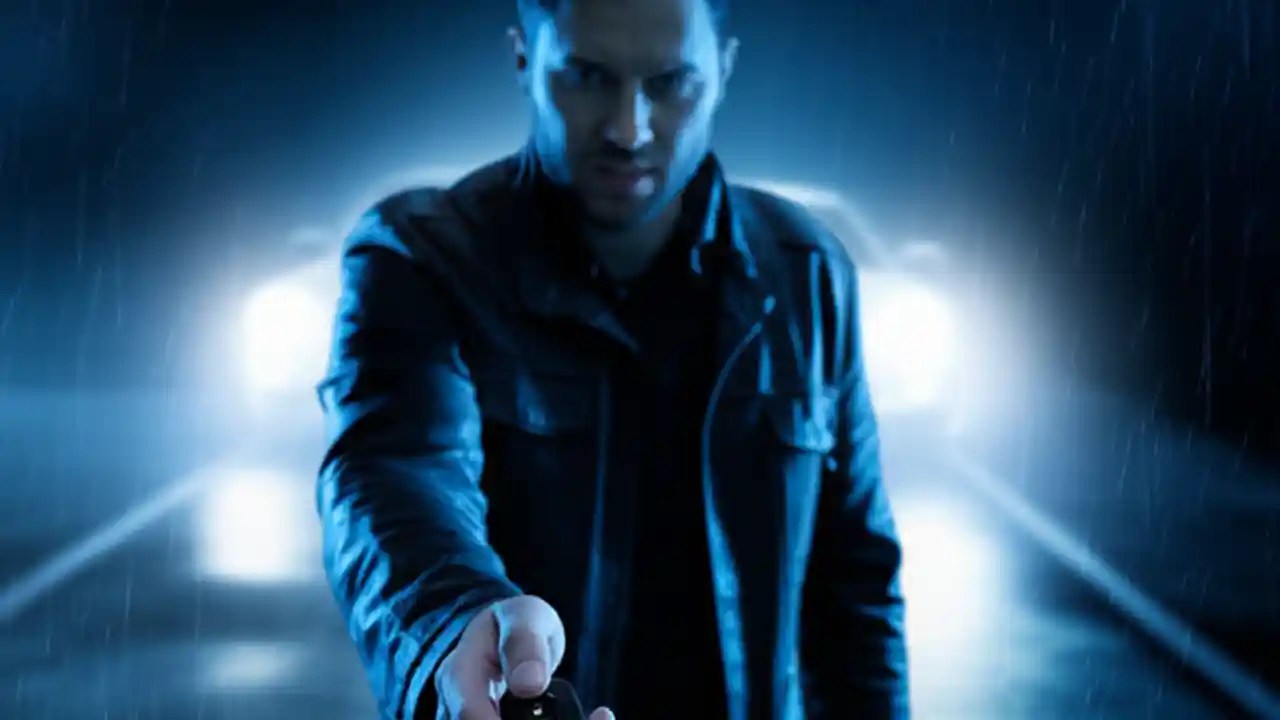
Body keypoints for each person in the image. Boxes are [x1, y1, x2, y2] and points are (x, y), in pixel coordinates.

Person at [316, 0, 909, 717]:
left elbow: (857, 591)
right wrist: (455, 620)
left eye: (670, 83)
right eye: (588, 77)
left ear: (722, 71)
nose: (630, 128)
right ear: (523, 58)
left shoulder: (809, 275)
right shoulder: (421, 258)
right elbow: (395, 475)